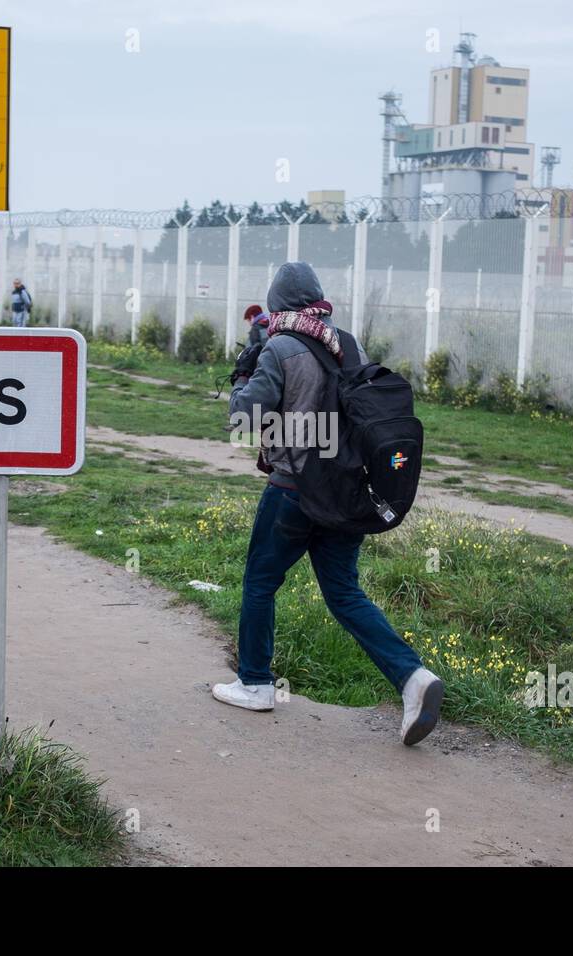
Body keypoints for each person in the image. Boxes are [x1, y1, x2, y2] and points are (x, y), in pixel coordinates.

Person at [213, 261, 444, 746]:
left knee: (259, 583)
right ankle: (413, 679)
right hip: (344, 491)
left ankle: (254, 683)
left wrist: (241, 378)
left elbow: (243, 417)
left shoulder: (278, 347)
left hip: (293, 489)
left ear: (275, 304)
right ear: (319, 299)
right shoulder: (349, 342)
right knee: (343, 594)